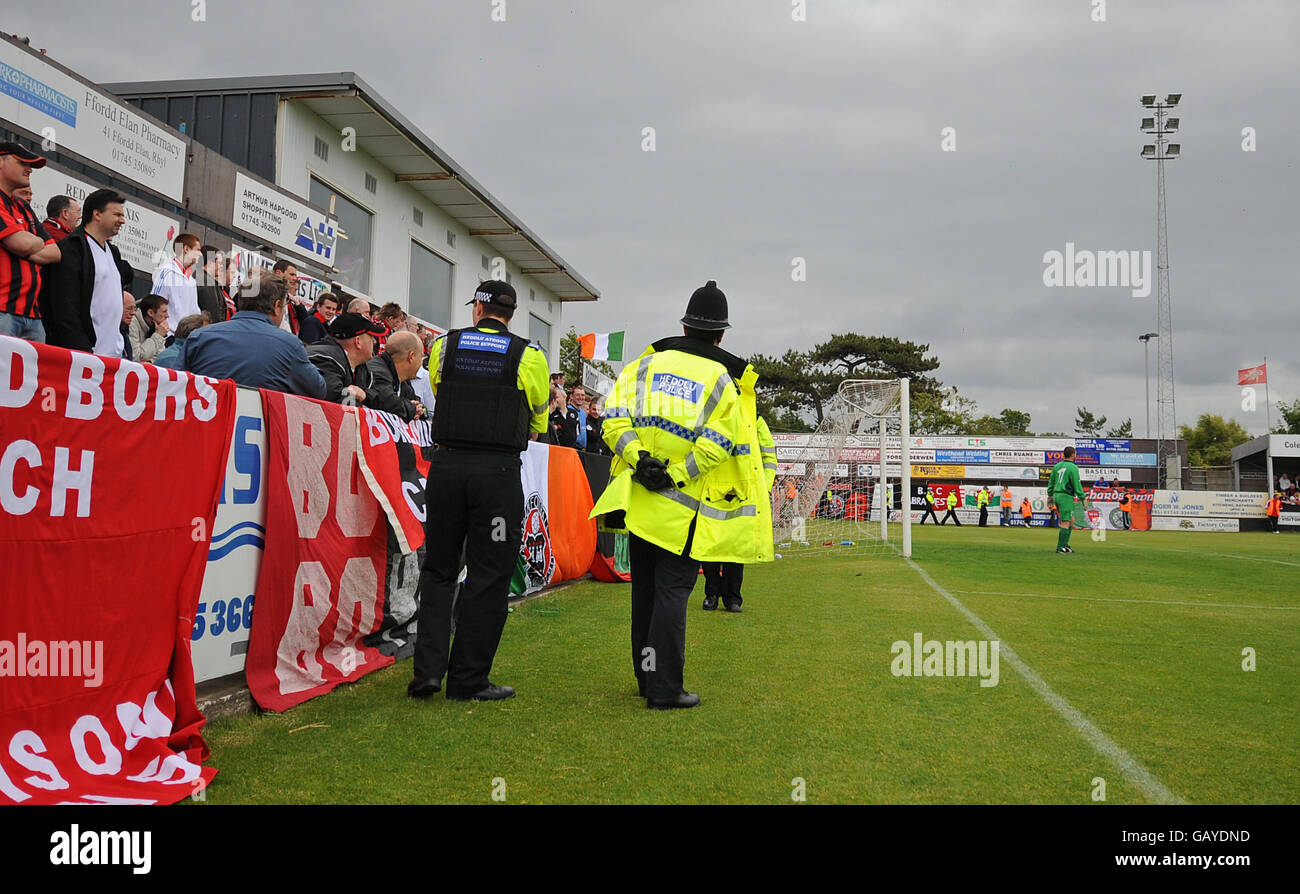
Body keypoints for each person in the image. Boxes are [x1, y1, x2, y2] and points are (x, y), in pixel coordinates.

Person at [590, 280, 772, 710]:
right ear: (721, 334)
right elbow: (715, 447)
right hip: (683, 509)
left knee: (645, 593)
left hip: (639, 501)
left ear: (685, 327)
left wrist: (642, 463)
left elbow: (612, 422)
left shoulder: (643, 366)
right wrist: (673, 476)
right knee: (672, 594)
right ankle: (665, 688)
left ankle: (645, 677)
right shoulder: (722, 381)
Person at [408, 280, 549, 703]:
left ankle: (427, 674)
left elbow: (439, 392)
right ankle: (468, 679)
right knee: (488, 575)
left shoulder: (444, 347)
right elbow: (539, 420)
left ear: (478, 309)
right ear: (511, 313)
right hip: (497, 473)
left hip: (447, 467)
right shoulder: (530, 356)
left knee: (438, 570)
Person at [179, 268, 326, 397]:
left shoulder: (200, 337)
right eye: (284, 304)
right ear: (276, 306)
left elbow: (172, 383)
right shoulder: (290, 346)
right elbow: (318, 390)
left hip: (203, 424)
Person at [701, 415, 776, 613]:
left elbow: (769, 456)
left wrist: (764, 487)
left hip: (744, 495)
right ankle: (712, 595)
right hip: (711, 493)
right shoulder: (711, 413)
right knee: (709, 548)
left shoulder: (755, 417)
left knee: (736, 549)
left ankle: (732, 598)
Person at [43, 188, 129, 356]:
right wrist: (81, 349)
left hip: (113, 356)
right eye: (117, 215)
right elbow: (64, 305)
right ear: (97, 215)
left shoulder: (113, 253)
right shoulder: (73, 247)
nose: (122, 220)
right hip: (85, 356)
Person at [0, 142, 60, 342]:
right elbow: (23, 244)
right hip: (2, 310)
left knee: (32, 373)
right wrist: (29, 244)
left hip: (32, 315)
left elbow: (55, 253)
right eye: (22, 162)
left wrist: (24, 245)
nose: (29, 170)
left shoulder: (23, 207)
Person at [307, 312, 385, 404]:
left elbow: (376, 397)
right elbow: (331, 398)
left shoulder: (362, 367)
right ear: (358, 341)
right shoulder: (324, 359)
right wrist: (357, 401)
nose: (375, 341)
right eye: (371, 336)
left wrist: (362, 395)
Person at [362, 330, 425, 421]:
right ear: (411, 356)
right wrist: (412, 409)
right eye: (421, 357)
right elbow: (387, 402)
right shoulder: (378, 371)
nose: (421, 363)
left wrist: (419, 410)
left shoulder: (403, 380)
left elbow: (419, 405)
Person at [151, 233, 203, 327]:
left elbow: (194, 311)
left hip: (186, 337)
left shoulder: (191, 280)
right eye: (198, 250)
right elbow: (155, 303)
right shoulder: (166, 272)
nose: (200, 254)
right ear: (186, 249)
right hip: (167, 336)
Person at [1047, 445, 1086, 552]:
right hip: (1066, 496)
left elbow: (1051, 482)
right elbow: (1076, 485)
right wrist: (1083, 498)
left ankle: (1065, 545)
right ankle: (1060, 547)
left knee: (1071, 520)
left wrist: (1050, 496)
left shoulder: (1057, 466)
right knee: (1065, 521)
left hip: (1056, 495)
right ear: (1073, 455)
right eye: (1076, 454)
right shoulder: (1073, 467)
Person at [128, 293, 169, 363]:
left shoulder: (158, 326)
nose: (167, 316)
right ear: (150, 313)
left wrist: (149, 362)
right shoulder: (132, 324)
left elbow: (161, 357)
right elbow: (135, 356)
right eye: (164, 312)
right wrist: (158, 335)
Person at [195, 246, 231, 324]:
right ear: (211, 262)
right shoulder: (205, 281)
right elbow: (213, 312)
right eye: (220, 263)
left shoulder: (208, 281)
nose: (222, 267)